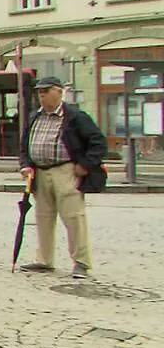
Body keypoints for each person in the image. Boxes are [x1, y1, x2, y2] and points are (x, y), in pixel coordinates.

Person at [17, 76, 107, 279]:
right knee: (43, 218)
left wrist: (85, 164)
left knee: (74, 217)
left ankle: (81, 262)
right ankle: (45, 259)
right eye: (39, 91)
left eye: (46, 90)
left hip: (65, 170)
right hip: (39, 171)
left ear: (59, 92)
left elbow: (98, 142)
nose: (42, 95)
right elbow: (24, 145)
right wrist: (25, 165)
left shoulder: (74, 116)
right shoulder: (34, 116)